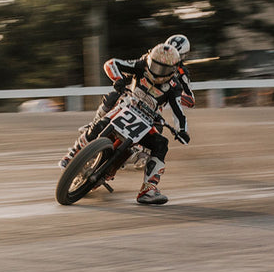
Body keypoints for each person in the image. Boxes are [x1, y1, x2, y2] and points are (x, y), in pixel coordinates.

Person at [60, 42, 192, 205]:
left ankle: (148, 189)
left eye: (163, 69)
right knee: (100, 123)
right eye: (155, 66)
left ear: (173, 70)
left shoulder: (174, 86)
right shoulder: (142, 64)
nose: (157, 72)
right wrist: (119, 79)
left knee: (161, 144)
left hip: (149, 119)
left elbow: (178, 110)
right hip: (127, 105)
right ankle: (75, 152)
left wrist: (182, 130)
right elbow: (112, 64)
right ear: (150, 60)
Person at [65, 34, 195, 162]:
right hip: (132, 96)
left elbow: (190, 99)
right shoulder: (150, 58)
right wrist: (120, 80)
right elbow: (134, 69)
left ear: (182, 57)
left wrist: (174, 95)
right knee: (112, 97)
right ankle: (95, 124)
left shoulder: (182, 75)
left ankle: (140, 154)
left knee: (156, 135)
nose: (166, 58)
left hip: (153, 109)